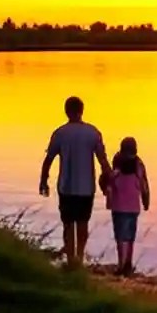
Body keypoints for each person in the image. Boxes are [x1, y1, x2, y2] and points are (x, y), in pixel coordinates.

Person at [40, 96, 111, 268]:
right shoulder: (93, 133)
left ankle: (71, 259)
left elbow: (48, 159)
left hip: (66, 186)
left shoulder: (60, 133)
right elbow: (103, 160)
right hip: (86, 187)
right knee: (82, 223)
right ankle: (79, 258)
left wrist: (43, 181)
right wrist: (109, 181)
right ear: (82, 110)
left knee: (68, 224)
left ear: (66, 111)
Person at [107, 137, 150, 276]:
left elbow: (109, 183)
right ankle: (128, 264)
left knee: (121, 237)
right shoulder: (138, 165)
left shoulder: (117, 164)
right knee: (130, 236)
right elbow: (144, 185)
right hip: (133, 207)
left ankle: (121, 265)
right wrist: (146, 201)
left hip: (119, 206)